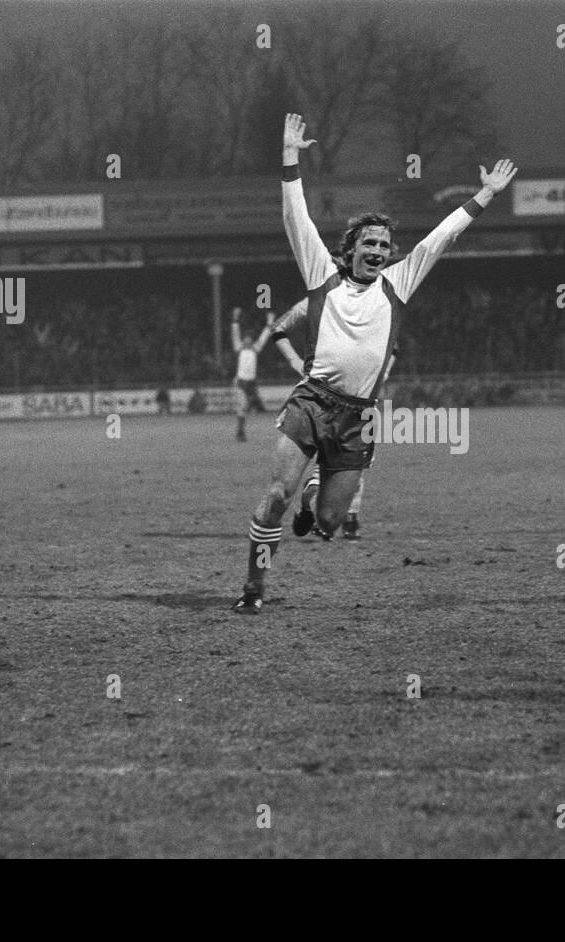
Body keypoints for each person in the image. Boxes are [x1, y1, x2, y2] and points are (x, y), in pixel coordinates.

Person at [232, 113, 516, 614]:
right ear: (350, 250)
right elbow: (295, 217)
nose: (378, 252)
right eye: (369, 244)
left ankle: (315, 496)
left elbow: (440, 238)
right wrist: (289, 156)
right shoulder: (322, 275)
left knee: (329, 524)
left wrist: (486, 193)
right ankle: (253, 589)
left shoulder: (398, 284)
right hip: (313, 402)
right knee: (276, 492)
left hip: (357, 417)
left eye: (384, 246)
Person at [270, 296, 398, 542]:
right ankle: (340, 516)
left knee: (345, 466)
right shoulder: (322, 299)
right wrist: (296, 362)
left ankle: (322, 506)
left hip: (350, 400)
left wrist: (381, 374)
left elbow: (393, 345)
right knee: (346, 465)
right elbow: (278, 327)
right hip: (328, 399)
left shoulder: (369, 299)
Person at [231, 307, 274, 441]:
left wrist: (270, 322)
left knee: (247, 408)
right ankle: (240, 433)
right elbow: (235, 334)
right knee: (242, 406)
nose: (247, 340)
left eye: (249, 338)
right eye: (245, 338)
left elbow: (264, 336)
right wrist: (235, 319)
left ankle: (241, 431)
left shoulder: (256, 348)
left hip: (251, 383)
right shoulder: (239, 348)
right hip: (241, 382)